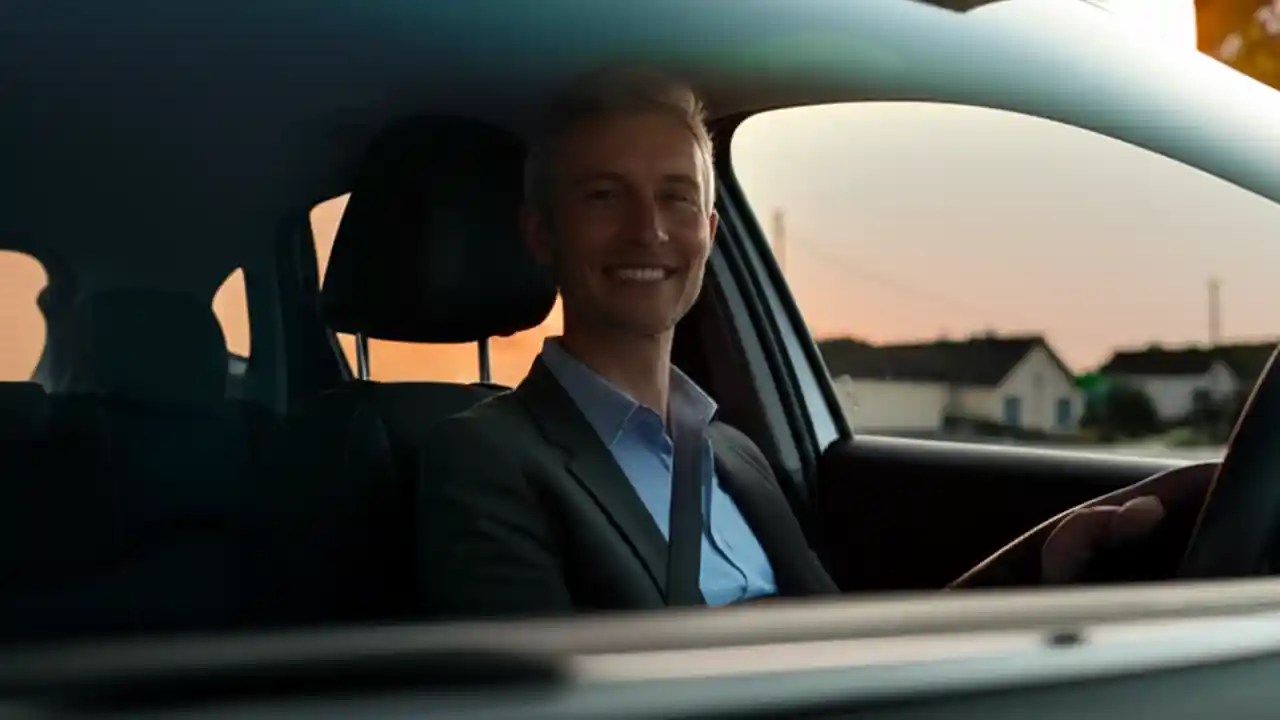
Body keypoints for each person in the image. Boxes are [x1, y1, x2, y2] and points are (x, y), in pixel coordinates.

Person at [415, 68, 1213, 617]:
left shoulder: (732, 453)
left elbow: (843, 647)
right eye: (602, 197)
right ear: (540, 233)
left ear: (710, 230)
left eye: (676, 197)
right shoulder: (483, 461)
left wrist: (1045, 568)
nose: (648, 229)